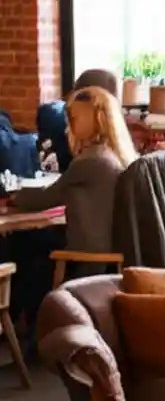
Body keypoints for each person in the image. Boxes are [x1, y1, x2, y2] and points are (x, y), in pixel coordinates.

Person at [1, 85, 136, 335]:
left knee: (22, 246)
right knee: (35, 243)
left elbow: (46, 197)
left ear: (94, 120)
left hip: (88, 248)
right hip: (107, 242)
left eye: (73, 119)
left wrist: (12, 197)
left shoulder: (90, 160)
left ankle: (29, 327)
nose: (67, 127)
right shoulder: (113, 155)